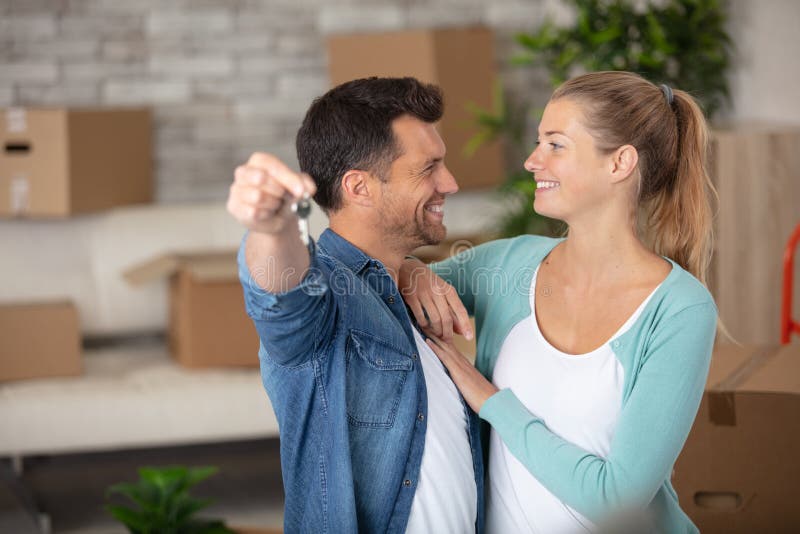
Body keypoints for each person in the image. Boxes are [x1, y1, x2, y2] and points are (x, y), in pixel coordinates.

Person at [398, 71, 718, 533]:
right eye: (538, 143)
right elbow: (375, 280)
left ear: (620, 163)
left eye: (555, 145)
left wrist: (492, 402)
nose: (532, 161)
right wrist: (410, 269)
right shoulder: (509, 265)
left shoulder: (679, 310)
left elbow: (616, 499)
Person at [226, 77, 483, 534]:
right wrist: (273, 227)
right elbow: (281, 296)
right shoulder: (326, 301)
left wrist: (411, 269)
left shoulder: (405, 290)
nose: (451, 183)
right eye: (428, 168)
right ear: (359, 187)